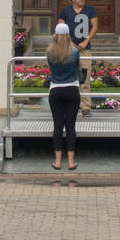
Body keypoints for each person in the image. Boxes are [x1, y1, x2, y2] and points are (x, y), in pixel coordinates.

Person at [45, 21, 82, 170]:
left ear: (55, 35)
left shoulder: (50, 52)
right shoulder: (74, 52)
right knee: (71, 126)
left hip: (55, 90)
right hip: (72, 89)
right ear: (68, 35)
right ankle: (71, 162)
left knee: (58, 126)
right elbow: (77, 67)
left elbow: (51, 68)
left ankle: (58, 161)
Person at [59, 0, 98, 113]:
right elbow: (61, 28)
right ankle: (70, 106)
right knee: (68, 78)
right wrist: (69, 42)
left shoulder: (90, 9)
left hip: (85, 49)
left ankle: (85, 107)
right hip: (68, 50)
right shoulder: (65, 11)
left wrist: (86, 41)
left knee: (85, 79)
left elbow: (94, 26)